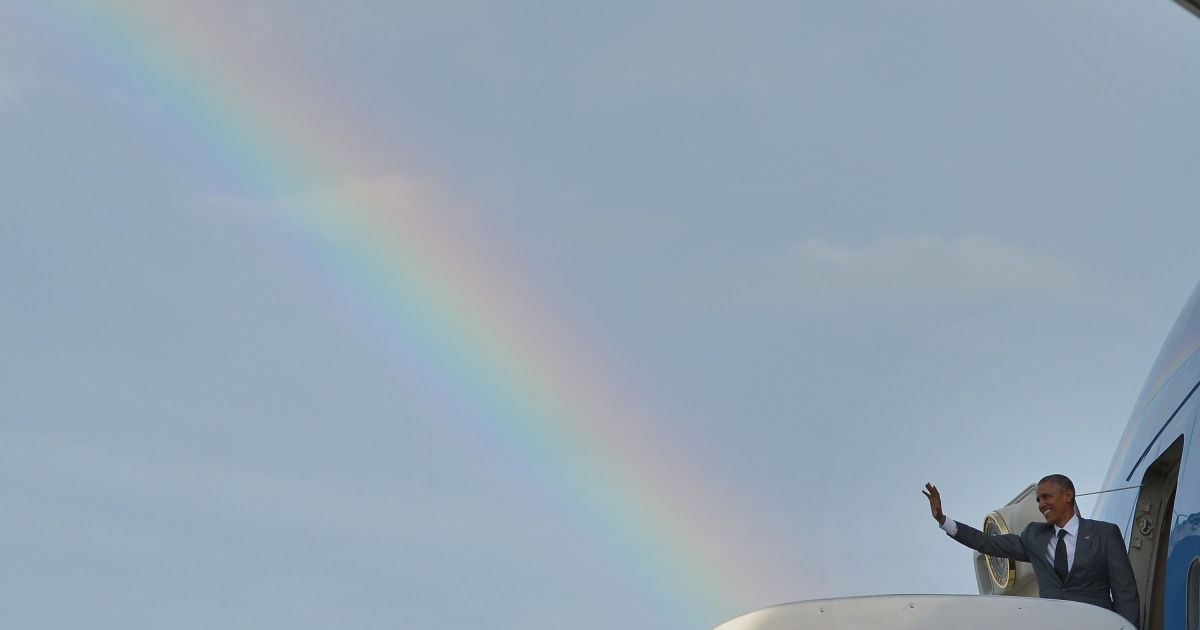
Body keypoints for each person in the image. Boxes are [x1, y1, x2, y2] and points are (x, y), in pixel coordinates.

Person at [923, 476, 1140, 627]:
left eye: (1046, 497)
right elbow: (988, 543)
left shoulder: (1104, 533)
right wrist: (944, 521)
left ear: (1068, 495)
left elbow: (1125, 591)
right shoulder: (1035, 536)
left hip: (1098, 624)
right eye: (1038, 500)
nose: (1041, 504)